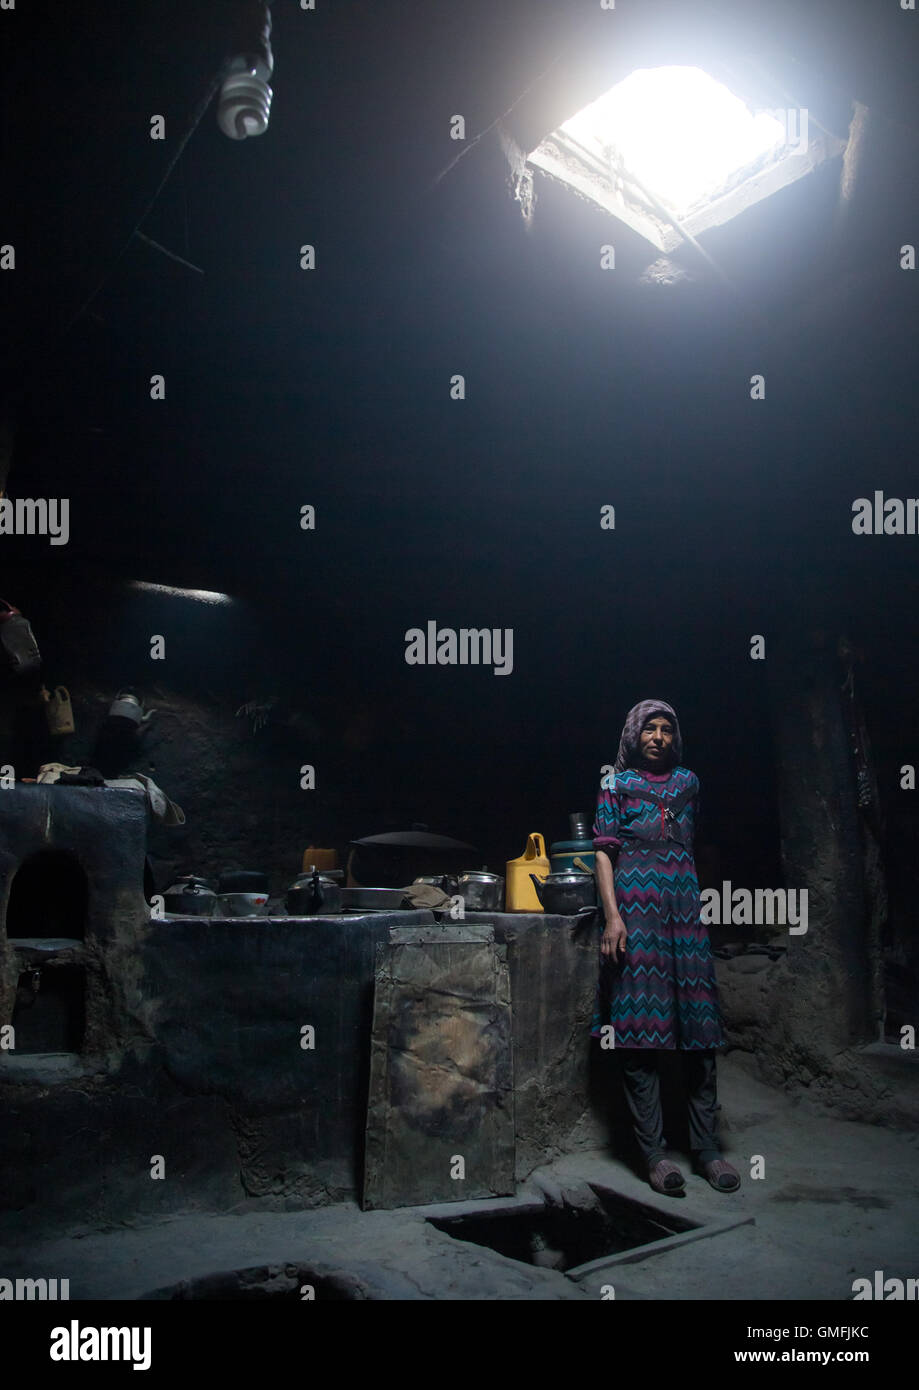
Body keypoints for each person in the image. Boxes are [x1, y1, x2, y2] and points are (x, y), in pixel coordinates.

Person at [592, 698, 740, 1196]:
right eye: (649, 729)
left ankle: (707, 1151)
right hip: (636, 916)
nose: (659, 737)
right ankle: (654, 1155)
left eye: (667, 729)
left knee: (699, 1035)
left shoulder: (688, 784)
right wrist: (613, 918)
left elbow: (699, 847)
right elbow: (604, 853)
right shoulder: (614, 782)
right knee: (639, 1035)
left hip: (685, 917)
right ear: (633, 734)